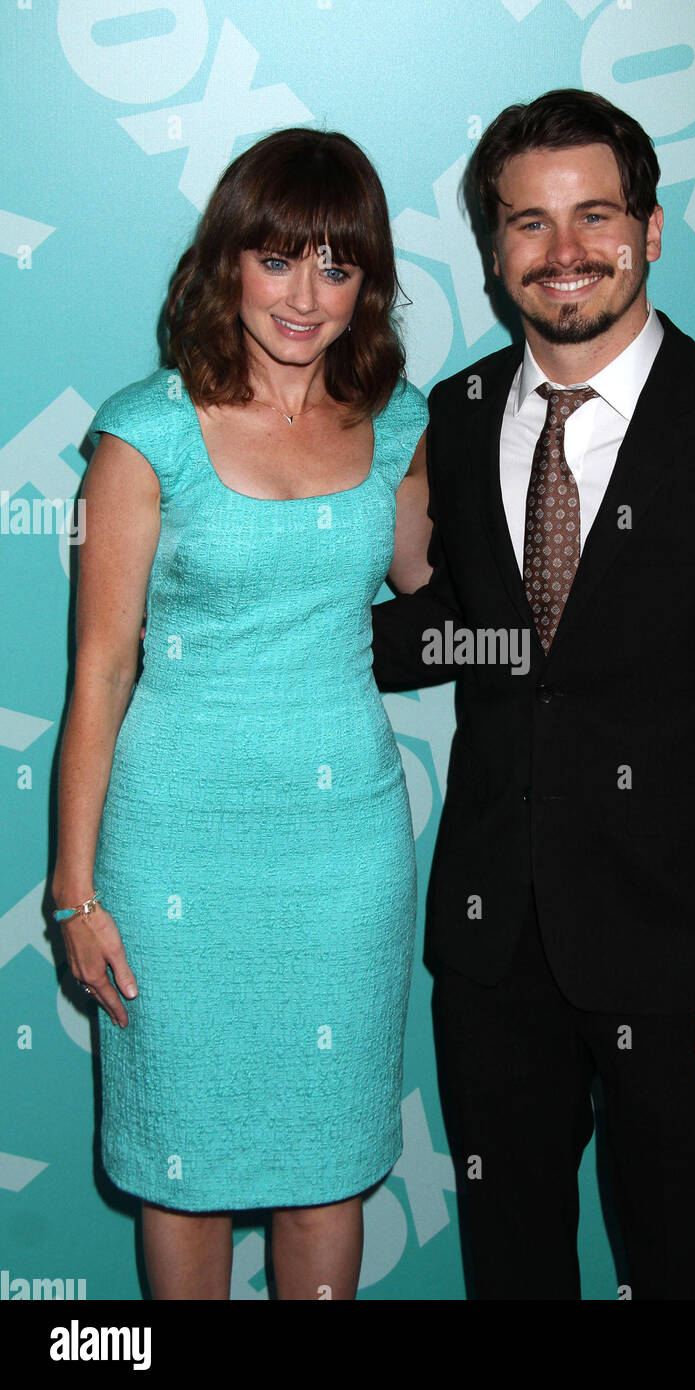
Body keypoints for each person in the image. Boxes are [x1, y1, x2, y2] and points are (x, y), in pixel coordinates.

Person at [371, 88, 695, 1299]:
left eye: (593, 215)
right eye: (527, 224)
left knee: (684, 1269)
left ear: (649, 229)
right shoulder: (458, 413)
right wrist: (256, 633)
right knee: (510, 1273)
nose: (563, 250)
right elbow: (463, 635)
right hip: (493, 950)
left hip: (685, 954)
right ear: (492, 251)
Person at [52, 127, 432, 1300]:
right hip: (175, 848)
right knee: (185, 1166)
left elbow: (433, 584)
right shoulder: (145, 429)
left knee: (329, 1171)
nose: (304, 296)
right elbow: (101, 673)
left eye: (336, 265)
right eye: (276, 260)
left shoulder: (402, 423)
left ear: (367, 283)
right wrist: (74, 891)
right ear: (227, 262)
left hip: (343, 853)